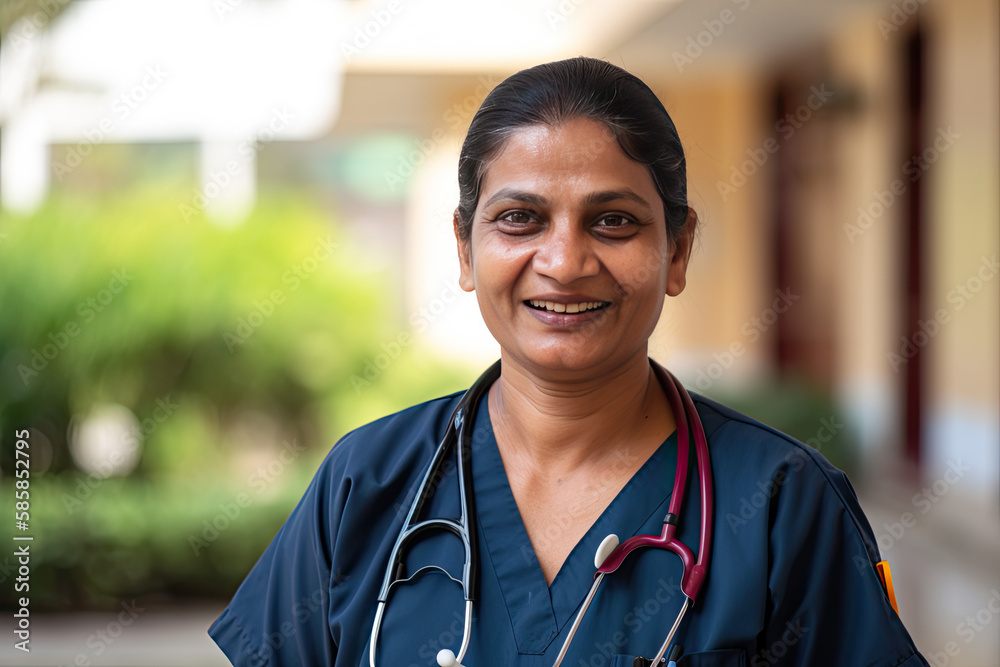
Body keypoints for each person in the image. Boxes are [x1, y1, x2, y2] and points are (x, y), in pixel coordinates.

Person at [208, 57, 929, 667]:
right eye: (520, 218)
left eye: (613, 220)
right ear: (465, 248)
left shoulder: (779, 504)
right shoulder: (365, 483)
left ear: (676, 251)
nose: (564, 261)